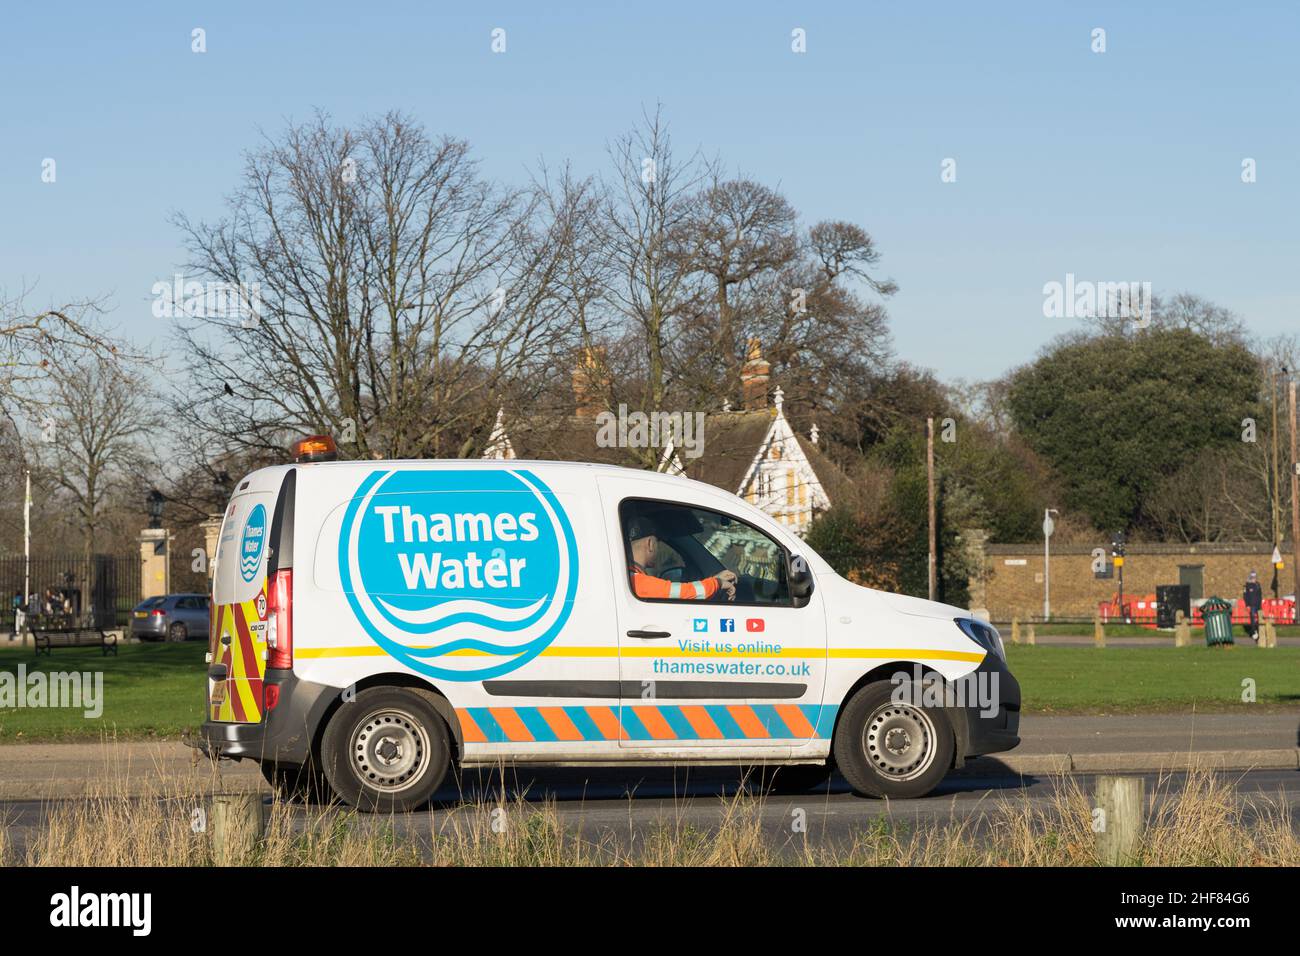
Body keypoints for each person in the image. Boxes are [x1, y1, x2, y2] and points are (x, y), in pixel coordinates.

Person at [627, 517, 736, 601]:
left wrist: (714, 580)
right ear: (650, 544)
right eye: (657, 543)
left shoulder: (628, 577)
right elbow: (682, 592)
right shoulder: (634, 580)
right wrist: (717, 583)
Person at [1243, 570, 1263, 643]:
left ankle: (1259, 632)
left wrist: (1260, 604)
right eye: (1252, 577)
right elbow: (1245, 596)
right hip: (1251, 605)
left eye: (1255, 577)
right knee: (1253, 620)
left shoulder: (1258, 585)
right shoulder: (1247, 585)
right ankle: (1254, 632)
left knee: (1259, 619)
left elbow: (1260, 595)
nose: (1254, 578)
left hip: (1258, 604)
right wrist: (1247, 605)